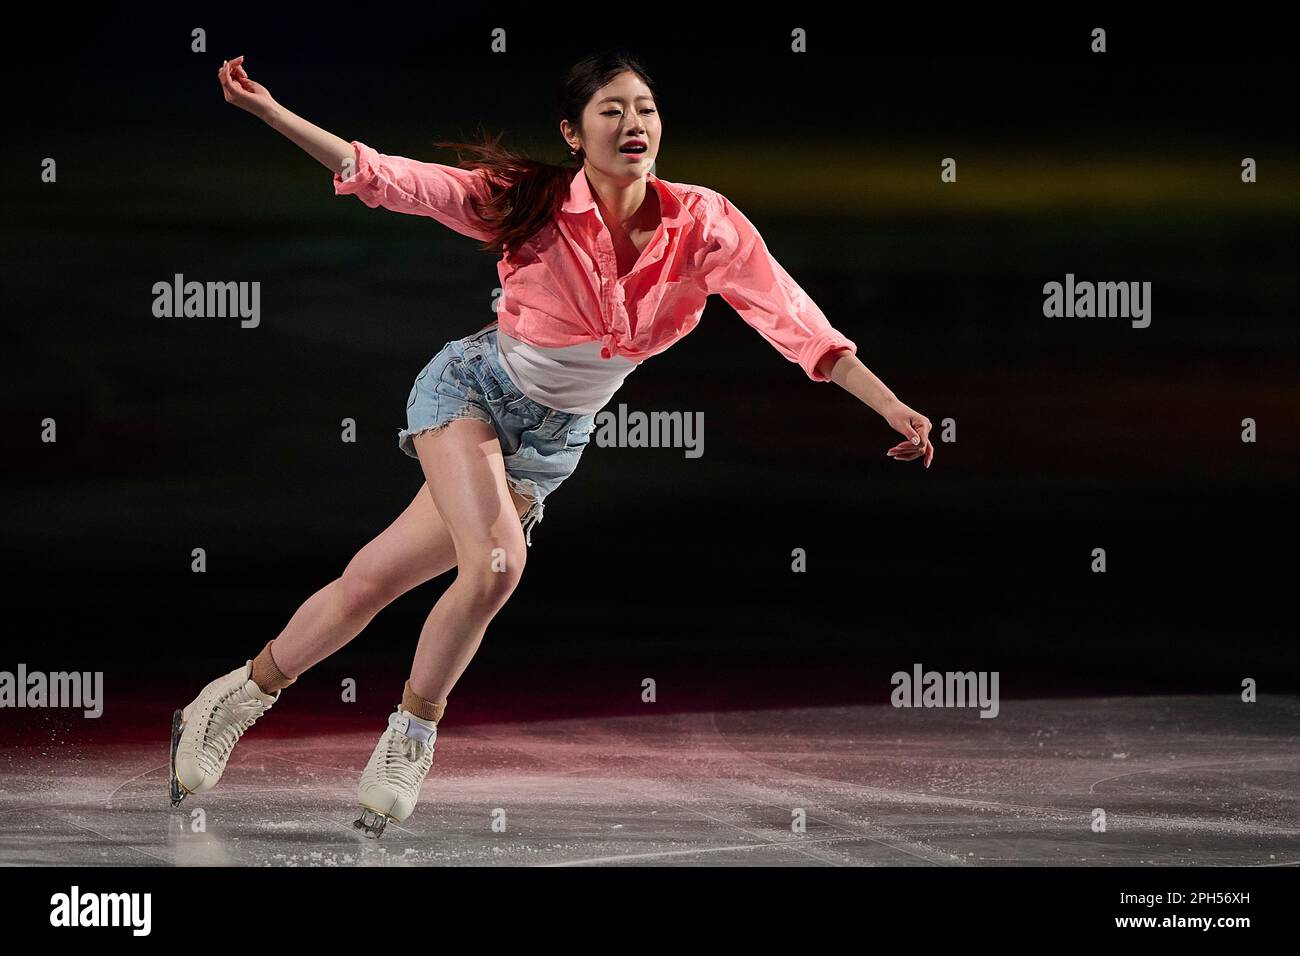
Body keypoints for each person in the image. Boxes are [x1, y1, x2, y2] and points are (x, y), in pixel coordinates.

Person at [170, 49, 935, 838]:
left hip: (550, 445)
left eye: (645, 107)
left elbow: (796, 322)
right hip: (470, 393)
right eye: (612, 110)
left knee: (371, 582)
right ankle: (412, 736)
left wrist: (890, 406)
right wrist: (270, 112)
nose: (634, 123)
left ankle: (231, 698)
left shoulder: (704, 223)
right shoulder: (527, 203)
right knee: (498, 564)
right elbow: (390, 177)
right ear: (573, 132)